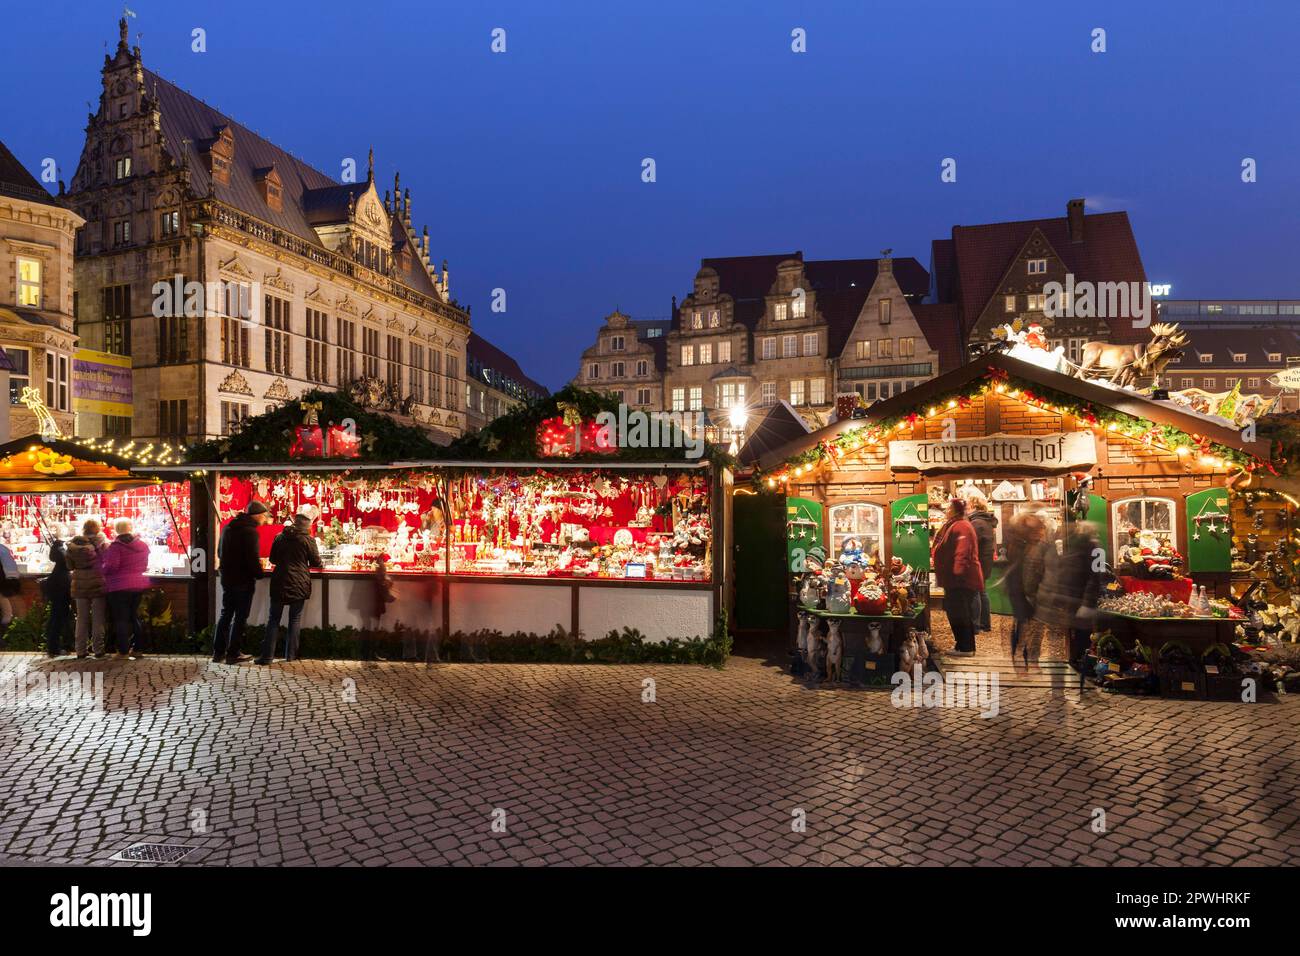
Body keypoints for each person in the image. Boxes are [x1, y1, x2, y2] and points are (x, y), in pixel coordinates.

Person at [257, 513, 322, 664]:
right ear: (307, 527)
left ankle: (267, 657)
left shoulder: (280, 536)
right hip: (299, 583)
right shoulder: (308, 540)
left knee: (273, 619)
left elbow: (272, 559)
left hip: (280, 580)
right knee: (294, 619)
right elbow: (316, 562)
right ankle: (290, 656)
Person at [213, 500, 269, 664]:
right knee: (240, 617)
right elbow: (252, 558)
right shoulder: (250, 532)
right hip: (243, 580)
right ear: (257, 516)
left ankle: (218, 652)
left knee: (226, 614)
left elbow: (219, 552)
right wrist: (259, 574)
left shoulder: (228, 528)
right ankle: (233, 653)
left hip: (227, 578)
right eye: (264, 516)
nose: (265, 519)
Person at [931, 497, 984, 656]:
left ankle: (966, 647)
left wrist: (957, 573)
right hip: (955, 579)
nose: (946, 510)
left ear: (955, 510)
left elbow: (963, 552)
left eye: (949, 508)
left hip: (960, 580)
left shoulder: (962, 526)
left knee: (959, 613)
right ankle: (962, 645)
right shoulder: (956, 524)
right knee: (957, 612)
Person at [101, 519, 151, 660]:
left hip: (119, 586)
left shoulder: (116, 547)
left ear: (116, 530)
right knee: (134, 616)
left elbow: (112, 566)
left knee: (121, 619)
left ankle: (123, 651)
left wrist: (102, 567)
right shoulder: (142, 545)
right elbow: (144, 565)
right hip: (137, 584)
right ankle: (138, 649)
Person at [1002, 512, 1046, 659]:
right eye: (1039, 530)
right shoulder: (1032, 547)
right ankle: (1028, 657)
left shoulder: (1019, 544)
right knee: (1031, 626)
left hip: (1023, 592)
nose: (1042, 533)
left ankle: (1023, 655)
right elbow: (1030, 572)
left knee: (1024, 625)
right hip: (1029, 593)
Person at [65, 520, 109, 659]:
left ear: (84, 529)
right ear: (97, 529)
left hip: (80, 585)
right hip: (97, 583)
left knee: (81, 618)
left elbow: (69, 566)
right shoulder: (102, 544)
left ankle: (80, 650)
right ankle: (98, 649)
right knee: (98, 618)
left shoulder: (73, 546)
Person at [965, 493, 998, 634]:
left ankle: (975, 626)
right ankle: (985, 624)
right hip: (985, 562)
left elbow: (971, 544)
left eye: (967, 506)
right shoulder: (986, 521)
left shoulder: (976, 523)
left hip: (978, 563)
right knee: (982, 591)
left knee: (975, 593)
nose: (966, 509)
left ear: (973, 506)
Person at [41, 534, 73, 657]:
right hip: (61, 588)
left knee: (57, 617)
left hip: (57, 588)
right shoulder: (63, 556)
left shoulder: (60, 558)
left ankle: (55, 645)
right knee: (58, 617)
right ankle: (54, 647)